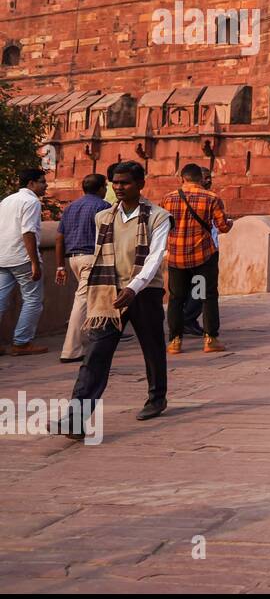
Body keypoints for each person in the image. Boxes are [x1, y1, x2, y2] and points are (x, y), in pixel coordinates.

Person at [63, 161, 172, 436]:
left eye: (125, 182)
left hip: (144, 292)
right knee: (96, 354)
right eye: (115, 182)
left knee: (152, 347)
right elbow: (102, 253)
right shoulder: (103, 217)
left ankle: (157, 397)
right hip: (108, 293)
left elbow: (155, 257)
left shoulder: (158, 216)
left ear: (140, 185)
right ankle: (76, 418)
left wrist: (134, 288)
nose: (119, 187)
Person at [161, 163, 233, 354]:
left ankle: (175, 342)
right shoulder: (211, 198)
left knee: (176, 298)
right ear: (200, 179)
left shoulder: (168, 199)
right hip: (202, 257)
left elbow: (162, 226)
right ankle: (210, 339)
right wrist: (230, 223)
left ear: (182, 178)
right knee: (205, 296)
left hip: (177, 257)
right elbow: (223, 227)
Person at [54, 173, 111, 362]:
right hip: (92, 259)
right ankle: (71, 350)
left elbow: (59, 238)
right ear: (101, 188)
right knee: (83, 301)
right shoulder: (103, 206)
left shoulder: (70, 207)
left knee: (93, 299)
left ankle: (93, 338)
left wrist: (60, 266)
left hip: (73, 259)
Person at [0, 168, 49, 356]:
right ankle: (21, 343)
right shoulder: (31, 202)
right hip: (21, 258)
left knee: (1, 300)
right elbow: (28, 232)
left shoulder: (6, 201)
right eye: (43, 182)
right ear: (31, 183)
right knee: (33, 300)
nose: (46, 186)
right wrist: (34, 262)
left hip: (3, 257)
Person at [181, 167, 218, 336]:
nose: (208, 181)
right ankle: (187, 320)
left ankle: (185, 321)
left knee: (191, 288)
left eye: (210, 177)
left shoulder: (173, 198)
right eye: (205, 178)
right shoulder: (210, 199)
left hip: (184, 251)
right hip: (201, 253)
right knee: (199, 287)